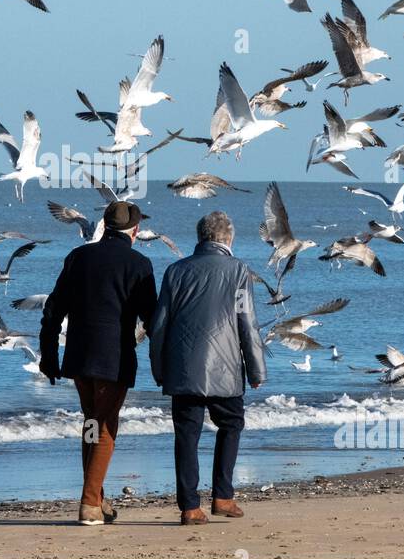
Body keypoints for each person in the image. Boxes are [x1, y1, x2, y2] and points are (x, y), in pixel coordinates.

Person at [40, 200, 157, 526]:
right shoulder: (139, 264)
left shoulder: (78, 257)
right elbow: (152, 319)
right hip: (113, 359)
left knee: (92, 422)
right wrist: (160, 359)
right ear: (134, 230)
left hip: (78, 356)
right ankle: (90, 503)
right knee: (105, 426)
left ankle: (99, 498)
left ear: (105, 225)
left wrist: (49, 355)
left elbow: (53, 311)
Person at [149, 210, 265, 525]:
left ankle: (189, 507)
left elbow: (159, 325)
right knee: (230, 426)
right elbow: (247, 322)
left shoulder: (175, 271)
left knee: (186, 435)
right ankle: (223, 496)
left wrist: (159, 368)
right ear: (228, 239)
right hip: (226, 370)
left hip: (183, 370)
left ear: (201, 237)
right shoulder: (239, 270)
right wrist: (256, 370)